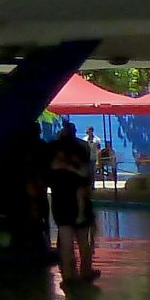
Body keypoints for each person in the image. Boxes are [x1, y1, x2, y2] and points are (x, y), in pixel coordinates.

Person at [46, 124, 97, 290]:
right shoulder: (81, 150)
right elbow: (86, 176)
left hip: (60, 199)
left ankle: (68, 276)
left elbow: (49, 173)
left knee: (66, 241)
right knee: (83, 240)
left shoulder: (53, 152)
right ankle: (86, 271)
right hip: (79, 199)